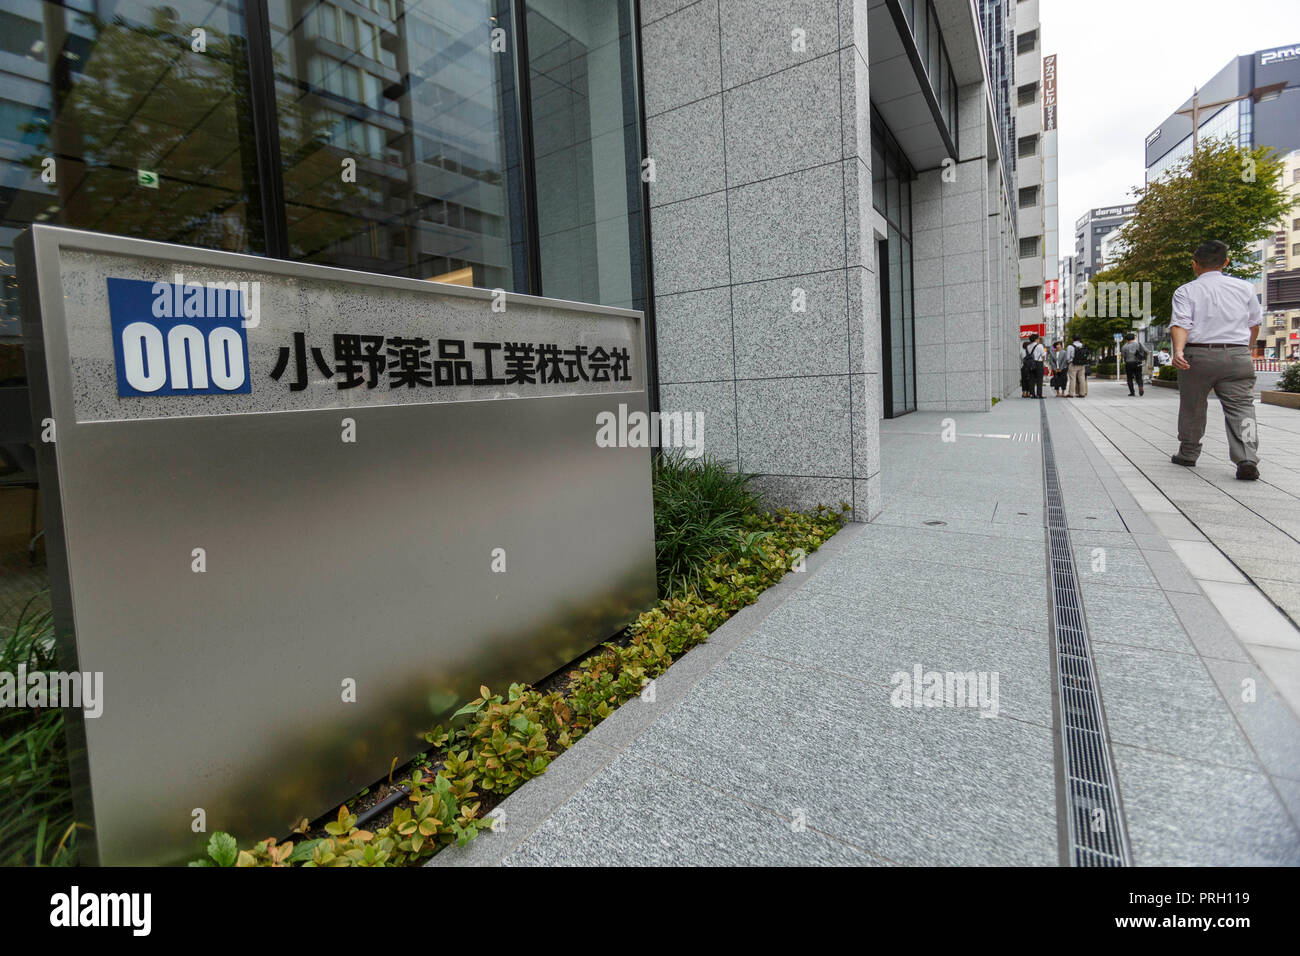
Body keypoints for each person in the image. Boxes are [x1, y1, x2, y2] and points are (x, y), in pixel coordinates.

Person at [1169, 240, 1261, 480]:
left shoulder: (1186, 291)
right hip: (1237, 354)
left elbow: (1181, 323)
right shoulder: (1245, 288)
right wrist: (1246, 350)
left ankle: (1188, 453)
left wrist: (1178, 351)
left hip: (1198, 355)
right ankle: (1247, 458)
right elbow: (1254, 324)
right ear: (1226, 262)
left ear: (1195, 265)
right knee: (1242, 407)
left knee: (1193, 405)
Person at [1120, 332, 1147, 397]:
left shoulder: (1124, 346)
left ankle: (1132, 392)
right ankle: (1140, 387)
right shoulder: (1139, 344)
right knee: (1139, 377)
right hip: (1138, 362)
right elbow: (1147, 351)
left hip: (1129, 363)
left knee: (1129, 378)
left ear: (1126, 339)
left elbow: (1123, 356)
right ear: (1134, 338)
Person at [1024, 334, 1046, 399]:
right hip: (1038, 363)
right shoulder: (1040, 346)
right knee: (1039, 379)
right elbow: (1043, 355)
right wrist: (1042, 362)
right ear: (1036, 339)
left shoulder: (1028, 346)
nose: (1039, 339)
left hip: (1030, 363)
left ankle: (1032, 394)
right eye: (1038, 338)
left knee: (1031, 379)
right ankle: (1039, 394)